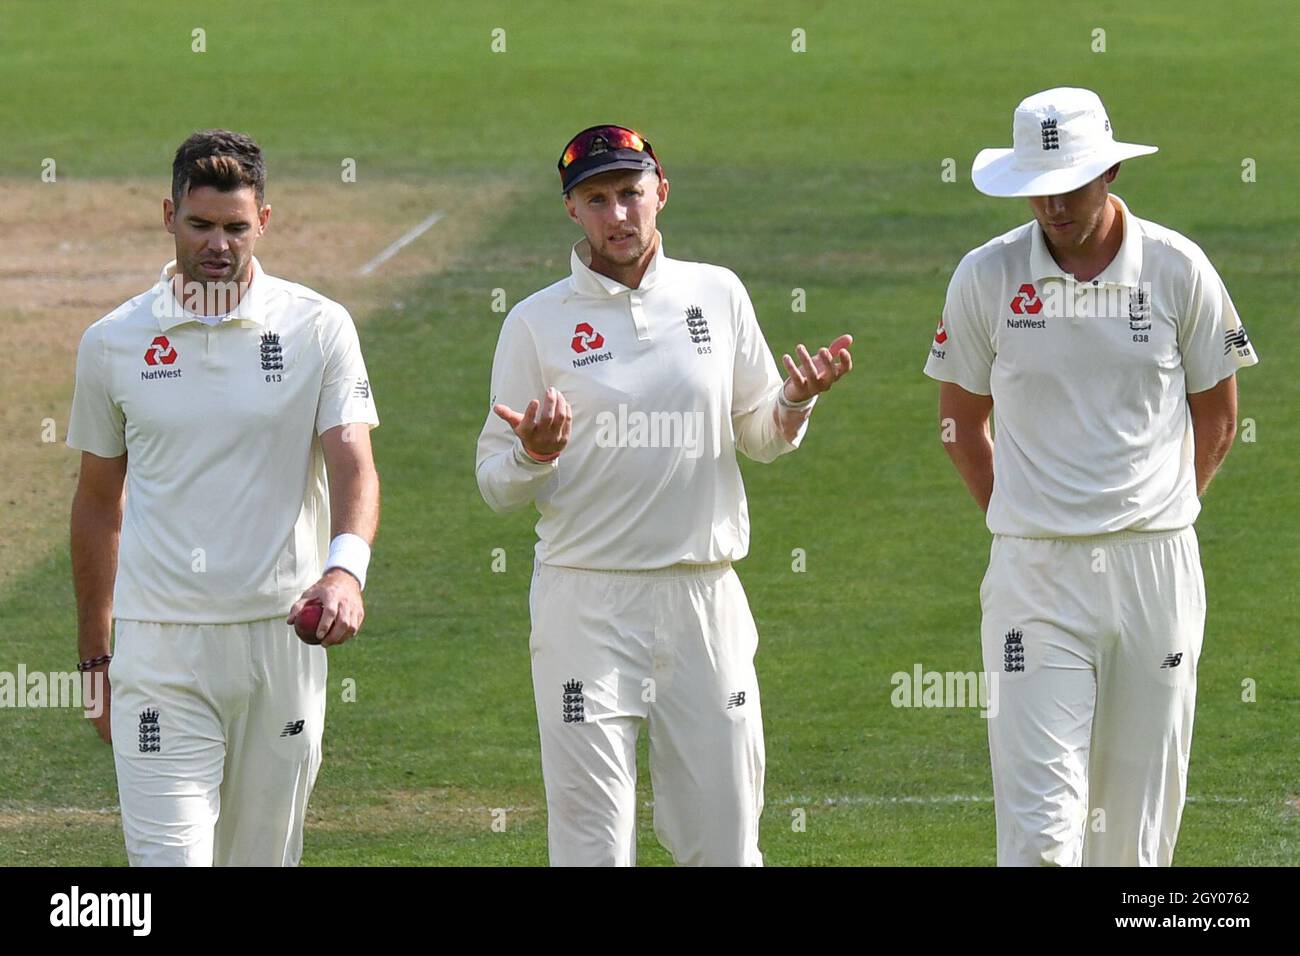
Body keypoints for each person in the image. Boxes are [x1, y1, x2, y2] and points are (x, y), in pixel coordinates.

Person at [475, 124, 853, 866]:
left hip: (702, 599)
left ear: (661, 193)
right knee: (591, 843)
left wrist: (793, 404)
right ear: (571, 211)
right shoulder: (535, 322)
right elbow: (495, 483)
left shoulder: (717, 292)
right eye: (597, 199)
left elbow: (756, 432)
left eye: (630, 194)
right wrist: (532, 453)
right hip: (586, 603)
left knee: (725, 838)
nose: (618, 215)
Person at [924, 88, 1257, 866]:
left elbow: (1219, 417)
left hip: (1156, 571)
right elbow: (960, 427)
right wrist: (1024, 515)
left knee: (1134, 844)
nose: (1051, 205)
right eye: (1037, 186)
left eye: (1069, 184)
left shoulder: (1179, 269)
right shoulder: (986, 277)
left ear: (1109, 171)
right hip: (1033, 578)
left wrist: (1159, 510)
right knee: (1042, 839)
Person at [67, 129, 381, 866]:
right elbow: (95, 503)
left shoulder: (318, 327)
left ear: (263, 222)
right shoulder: (113, 342)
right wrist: (93, 660)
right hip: (159, 650)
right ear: (168, 214)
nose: (218, 245)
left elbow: (354, 465)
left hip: (280, 645)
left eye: (236, 227)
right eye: (200, 225)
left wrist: (345, 570)